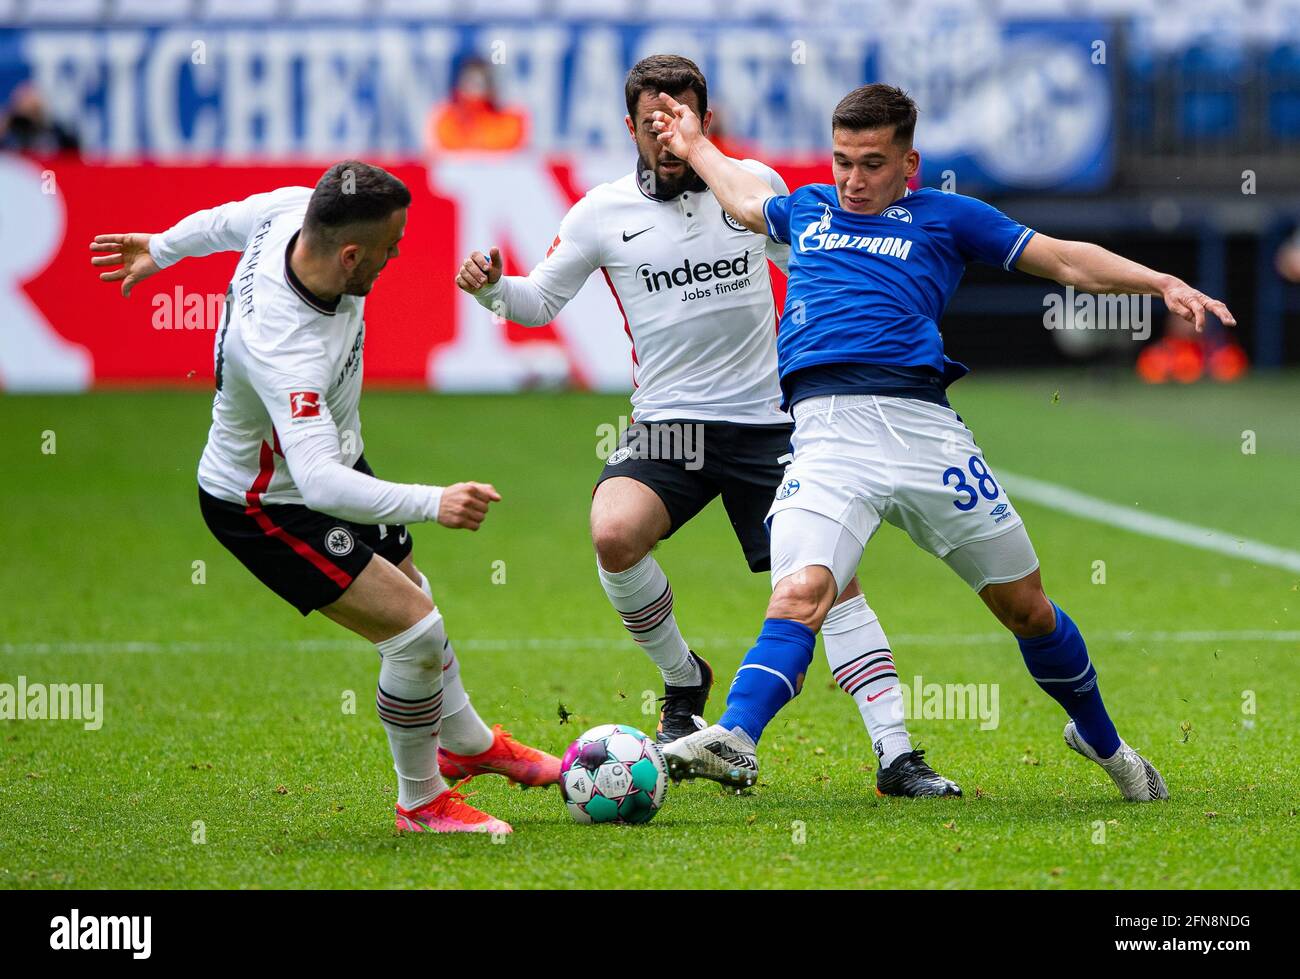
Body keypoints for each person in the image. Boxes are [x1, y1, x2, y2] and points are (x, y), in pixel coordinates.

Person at [653, 84, 1235, 799]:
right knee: (803, 591)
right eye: (842, 161)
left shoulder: (948, 217)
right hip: (828, 439)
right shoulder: (807, 208)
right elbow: (744, 199)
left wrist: (1160, 280)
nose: (853, 179)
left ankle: (1104, 744)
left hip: (927, 436)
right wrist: (693, 144)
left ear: (909, 162)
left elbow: (1063, 260)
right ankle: (737, 737)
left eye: (871, 163)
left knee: (1027, 608)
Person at [455, 55, 958, 797]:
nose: (668, 135)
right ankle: (682, 680)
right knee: (613, 532)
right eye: (653, 123)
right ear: (630, 127)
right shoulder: (600, 213)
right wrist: (494, 287)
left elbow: (818, 257)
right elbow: (538, 303)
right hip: (670, 424)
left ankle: (897, 754)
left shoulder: (749, 185)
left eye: (681, 119)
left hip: (771, 422)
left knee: (832, 583)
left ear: (704, 122)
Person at [89, 161, 560, 834]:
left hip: (326, 458)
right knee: (415, 628)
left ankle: (468, 744)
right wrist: (434, 500)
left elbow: (227, 219)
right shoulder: (286, 345)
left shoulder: (291, 211)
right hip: (265, 503)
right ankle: (421, 803)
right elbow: (315, 484)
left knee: (415, 595)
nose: (396, 257)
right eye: (389, 249)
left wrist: (161, 248)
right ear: (349, 255)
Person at [427, 56, 527, 153]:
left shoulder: (508, 120)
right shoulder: (446, 117)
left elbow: (509, 141)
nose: (474, 87)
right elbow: (446, 142)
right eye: (469, 81)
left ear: (490, 86)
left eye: (480, 82)